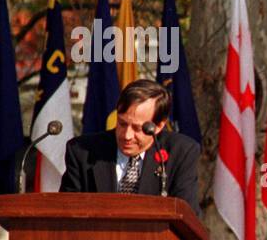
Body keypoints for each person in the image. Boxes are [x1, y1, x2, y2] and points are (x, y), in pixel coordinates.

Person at [61, 78, 200, 212]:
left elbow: (187, 215)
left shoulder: (181, 152)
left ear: (158, 126)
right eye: (122, 123)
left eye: (137, 128)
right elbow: (65, 213)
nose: (126, 135)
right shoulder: (82, 151)